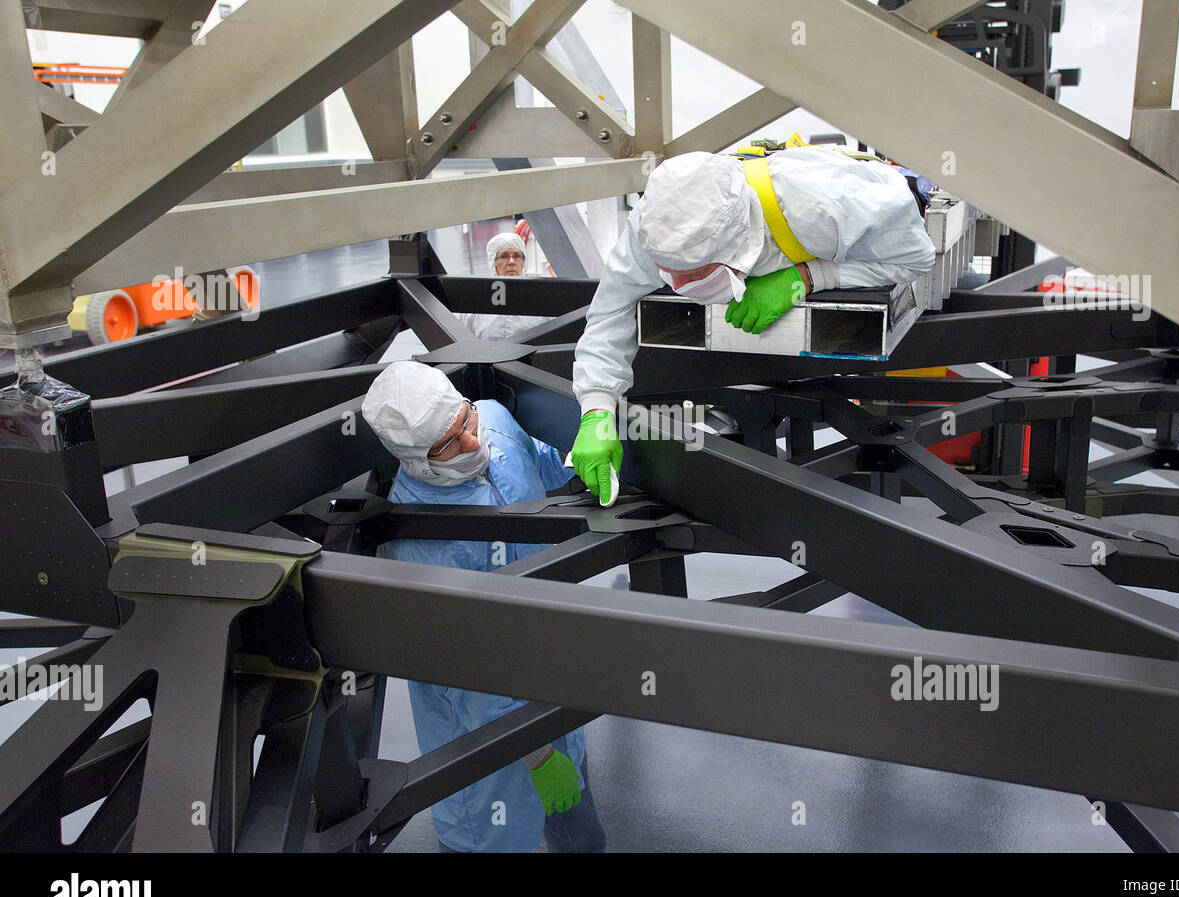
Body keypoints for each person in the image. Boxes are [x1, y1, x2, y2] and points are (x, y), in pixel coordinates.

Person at [568, 146, 938, 504]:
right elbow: (611, 309)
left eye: (693, 273)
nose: (677, 287)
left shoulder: (821, 211)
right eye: (668, 273)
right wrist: (597, 408)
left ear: (738, 246)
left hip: (866, 182)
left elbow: (914, 259)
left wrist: (810, 276)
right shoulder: (656, 225)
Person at [361, 360, 607, 853]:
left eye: (465, 422)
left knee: (582, 836)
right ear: (417, 461)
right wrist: (537, 758)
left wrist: (581, 456)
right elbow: (472, 676)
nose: (472, 442)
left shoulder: (489, 418)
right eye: (448, 444)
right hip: (485, 743)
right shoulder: (419, 543)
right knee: (491, 836)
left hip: (551, 689)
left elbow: (534, 457)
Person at [456, 230, 548, 341]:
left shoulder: (539, 300)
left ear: (524, 262)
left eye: (517, 256)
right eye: (504, 256)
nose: (511, 261)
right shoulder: (476, 304)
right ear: (493, 262)